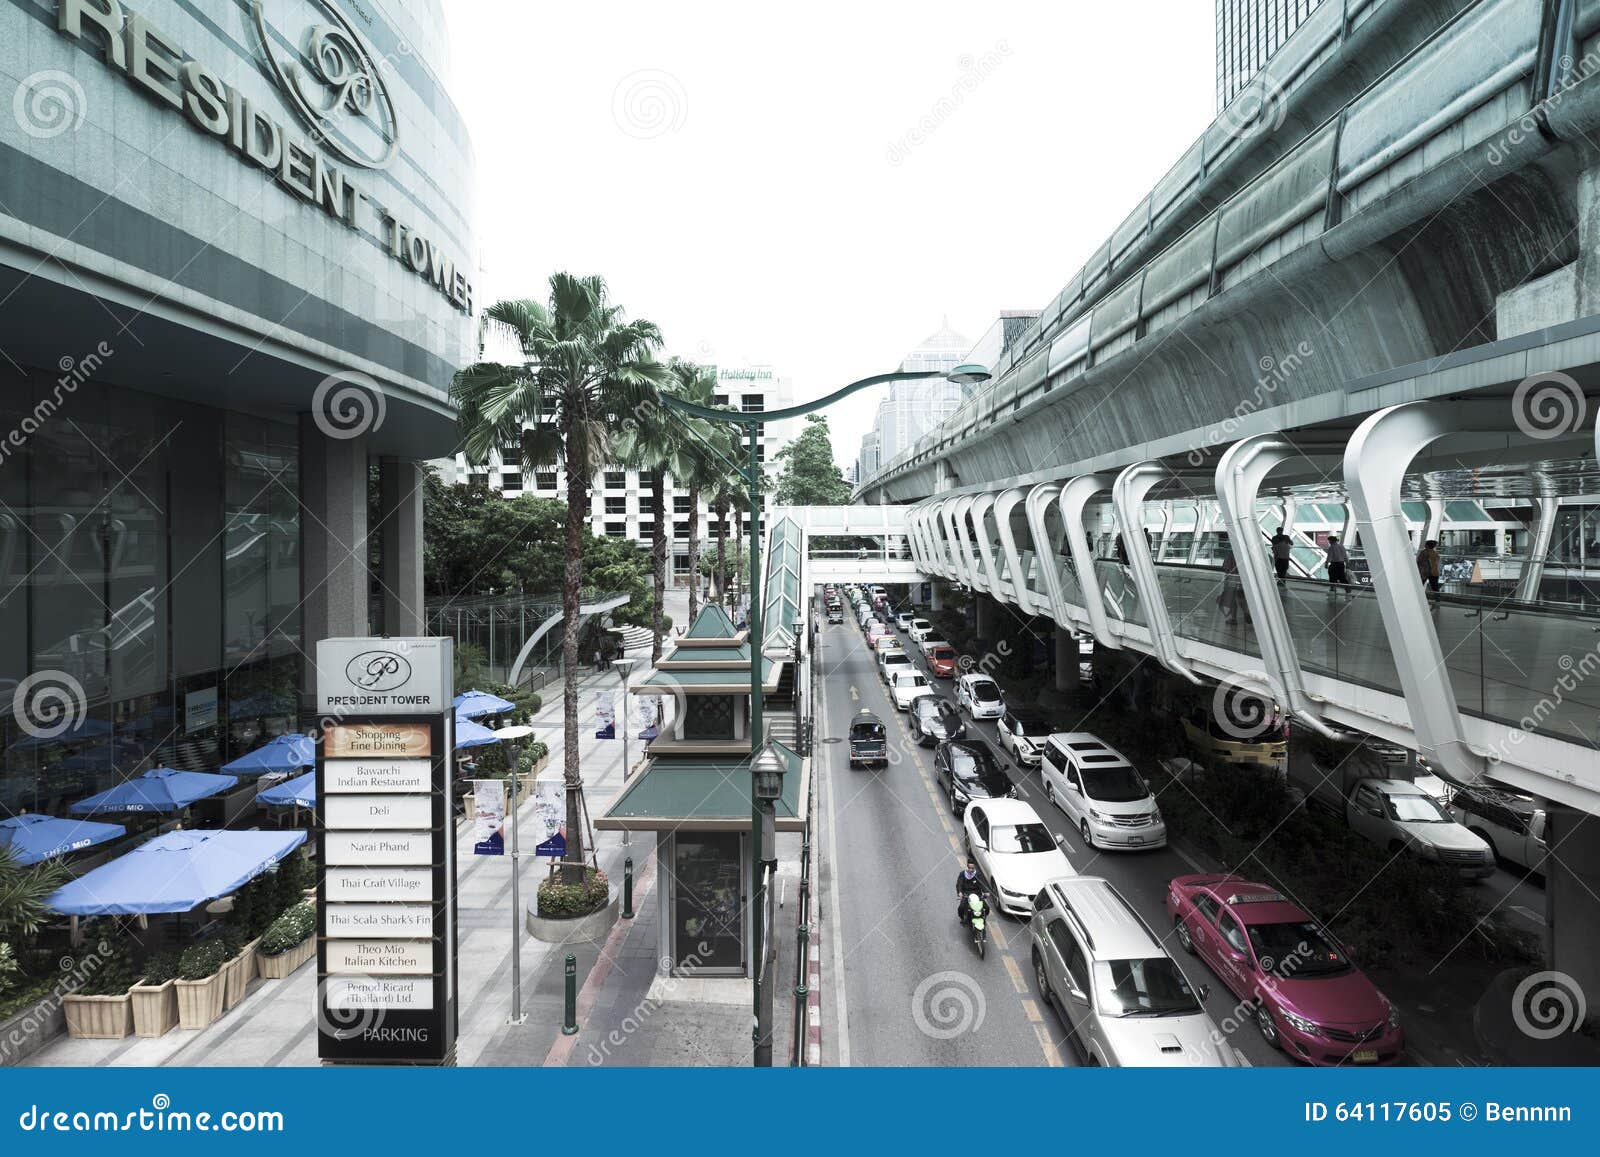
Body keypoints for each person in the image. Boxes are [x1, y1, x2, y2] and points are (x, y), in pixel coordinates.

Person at [956, 857, 984, 923]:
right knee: (961, 908)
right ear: (967, 866)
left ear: (974, 867)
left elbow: (982, 884)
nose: (971, 870)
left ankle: (983, 917)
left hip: (977, 893)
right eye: (969, 868)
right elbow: (959, 884)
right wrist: (960, 892)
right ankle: (963, 918)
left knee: (986, 908)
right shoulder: (962, 874)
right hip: (966, 894)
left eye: (972, 868)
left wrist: (986, 892)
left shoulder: (977, 874)